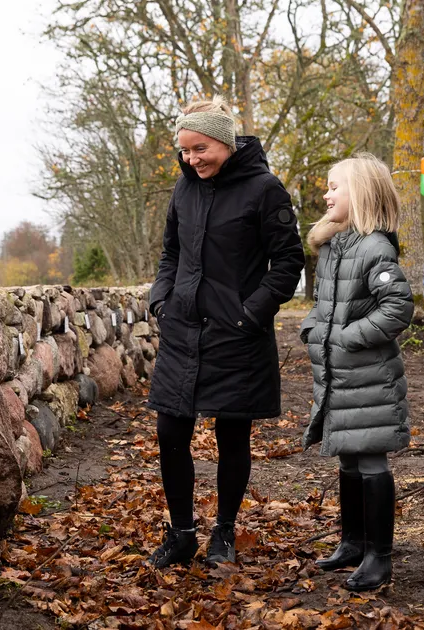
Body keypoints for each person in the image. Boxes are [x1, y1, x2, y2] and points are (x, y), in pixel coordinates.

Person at [147, 96, 305, 568]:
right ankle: (181, 535)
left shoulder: (265, 189)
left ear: (225, 142)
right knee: (169, 432)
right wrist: (162, 299)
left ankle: (223, 534)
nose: (192, 159)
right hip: (182, 333)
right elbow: (170, 253)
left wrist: (249, 314)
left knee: (232, 438)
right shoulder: (184, 189)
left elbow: (288, 263)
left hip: (237, 337)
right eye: (185, 151)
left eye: (200, 149)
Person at [300, 154, 413, 591]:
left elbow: (398, 308)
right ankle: (352, 542)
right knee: (347, 453)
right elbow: (323, 304)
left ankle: (378, 557)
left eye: (334, 187)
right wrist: (313, 328)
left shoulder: (375, 248)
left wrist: (347, 337)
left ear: (361, 194)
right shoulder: (333, 246)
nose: (326, 194)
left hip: (369, 377)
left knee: (368, 457)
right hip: (338, 375)